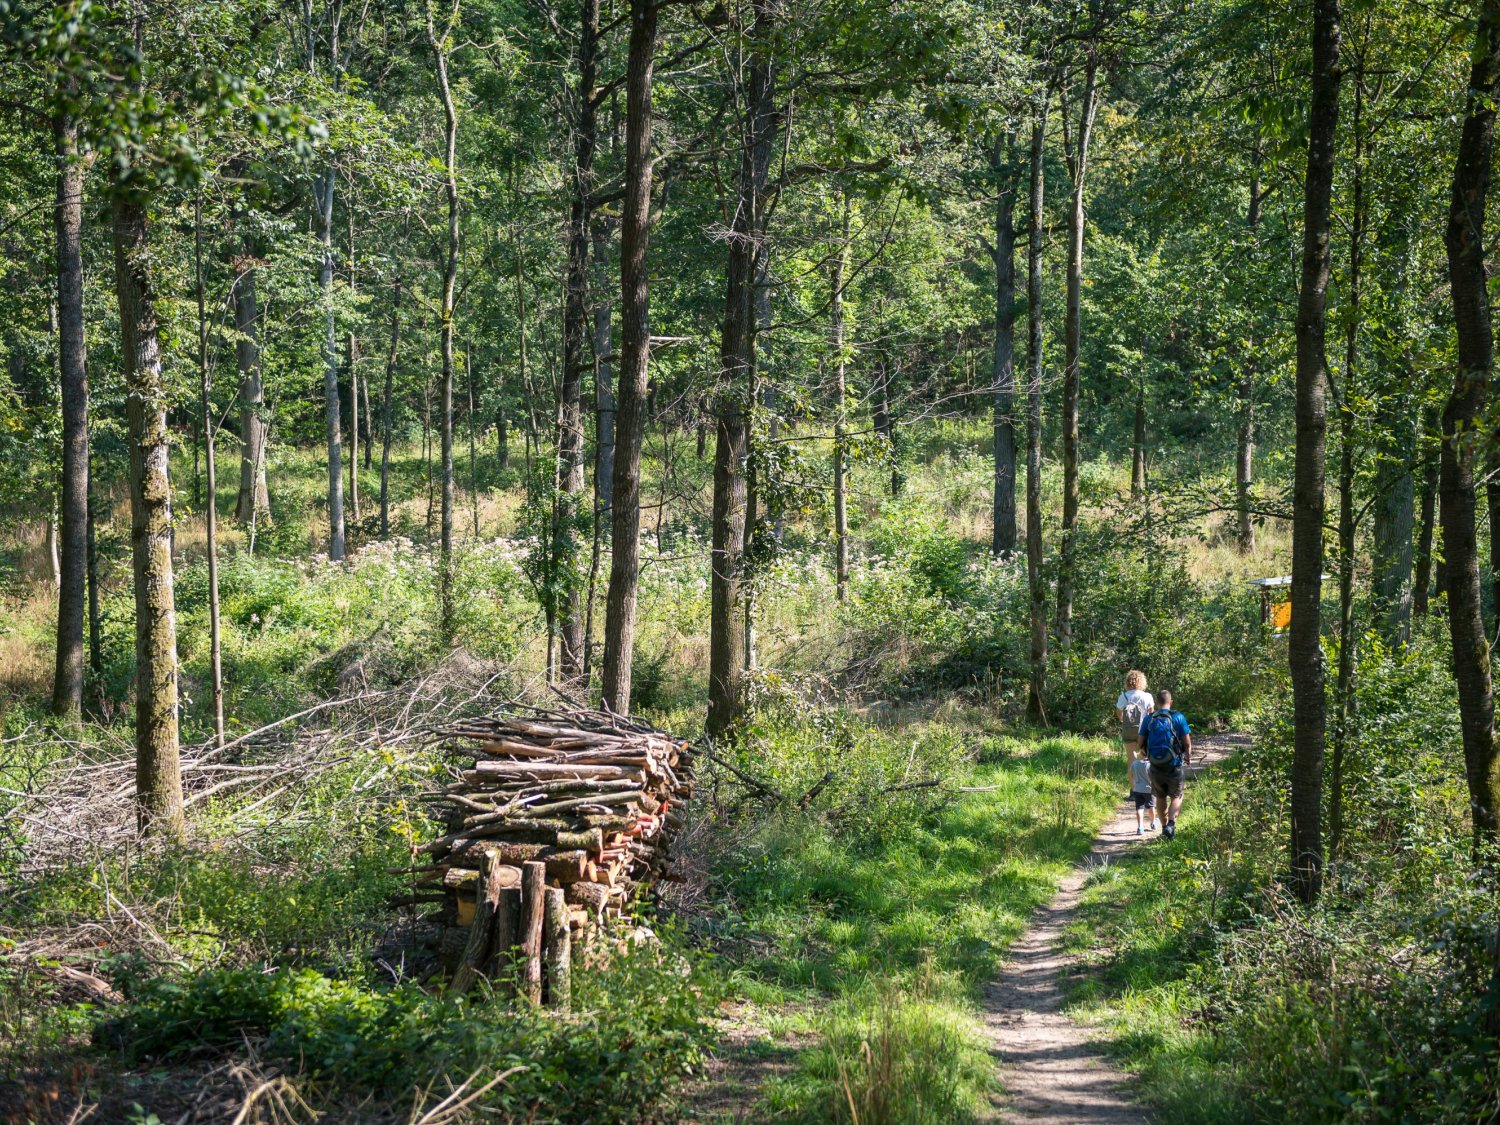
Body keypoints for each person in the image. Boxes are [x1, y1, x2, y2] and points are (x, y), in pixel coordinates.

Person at [1139, 688, 1192, 839]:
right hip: (1173, 765)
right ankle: (1171, 825)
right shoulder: (1178, 717)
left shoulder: (1149, 719)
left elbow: (1140, 742)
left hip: (1155, 765)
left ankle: (1164, 829)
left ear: (1157, 703)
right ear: (1171, 702)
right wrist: (1187, 757)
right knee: (1177, 796)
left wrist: (1145, 753)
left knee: (1160, 797)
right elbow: (1187, 743)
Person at [1115, 670, 1155, 766]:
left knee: (1131, 759)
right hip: (1144, 730)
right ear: (1142, 682)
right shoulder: (1147, 696)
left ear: (1127, 682)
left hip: (1129, 729)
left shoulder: (1123, 696)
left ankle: (1132, 776)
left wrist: (1123, 720)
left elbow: (1119, 713)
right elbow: (1152, 714)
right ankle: (1144, 775)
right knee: (1145, 758)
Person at [1128, 745, 1157, 834]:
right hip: (1149, 790)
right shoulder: (1150, 765)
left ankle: (1140, 827)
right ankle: (1153, 823)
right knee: (1151, 807)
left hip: (1137, 789)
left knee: (1139, 808)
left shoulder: (1134, 764)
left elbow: (1131, 775)